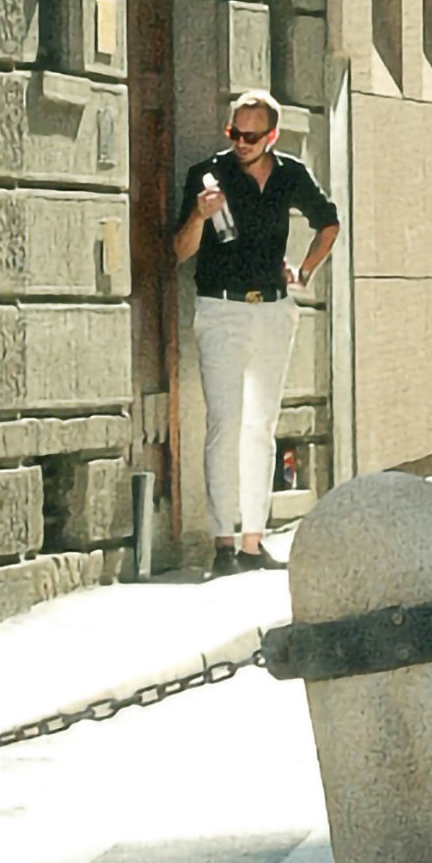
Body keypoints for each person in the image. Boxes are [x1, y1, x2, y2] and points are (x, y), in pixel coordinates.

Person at [171, 90, 336, 570]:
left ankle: (252, 540)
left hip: (273, 310)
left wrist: (304, 271)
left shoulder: (289, 175)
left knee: (261, 426)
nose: (241, 143)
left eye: (251, 136)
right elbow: (180, 251)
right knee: (225, 423)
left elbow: (328, 223)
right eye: (234, 133)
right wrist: (201, 215)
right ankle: (223, 542)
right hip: (221, 309)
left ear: (271, 136)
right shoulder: (207, 175)